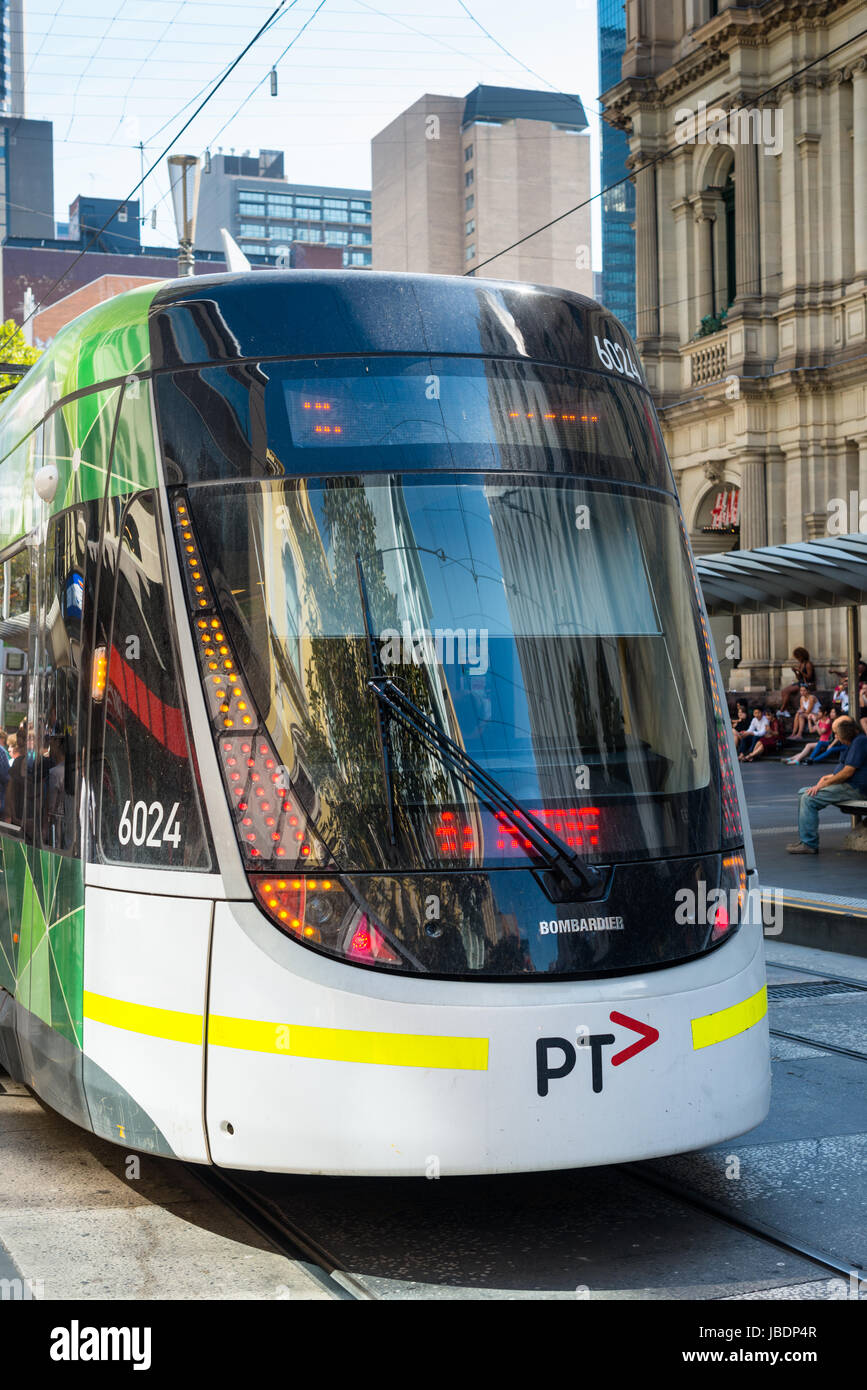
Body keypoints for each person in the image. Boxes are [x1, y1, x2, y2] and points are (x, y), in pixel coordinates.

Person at [787, 716, 867, 853]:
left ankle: (809, 843)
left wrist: (823, 785)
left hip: (855, 788)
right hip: (847, 785)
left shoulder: (860, 742)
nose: (835, 736)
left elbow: (848, 772)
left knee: (809, 798)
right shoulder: (850, 744)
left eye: (836, 733)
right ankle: (805, 839)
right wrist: (825, 779)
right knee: (803, 792)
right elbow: (841, 771)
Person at [779, 647, 816, 714]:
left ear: (802, 656)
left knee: (787, 691)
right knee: (783, 691)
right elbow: (799, 678)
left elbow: (809, 677)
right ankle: (786, 709)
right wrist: (795, 672)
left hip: (807, 683)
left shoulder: (808, 664)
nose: (798, 659)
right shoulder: (801, 664)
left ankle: (782, 710)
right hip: (800, 682)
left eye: (798, 657)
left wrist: (801, 671)